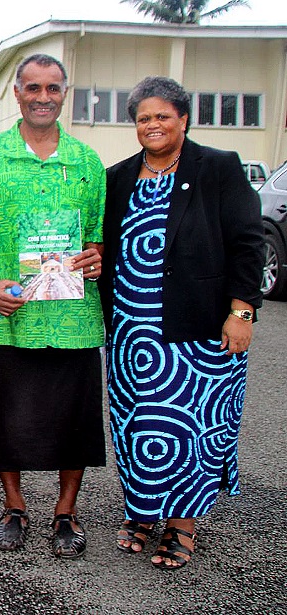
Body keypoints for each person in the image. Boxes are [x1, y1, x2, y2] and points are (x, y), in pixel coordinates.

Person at [99, 76, 263, 570]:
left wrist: (241, 311)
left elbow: (248, 242)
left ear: (183, 119)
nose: (152, 125)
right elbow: (104, 246)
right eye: (143, 118)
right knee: (139, 427)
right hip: (132, 331)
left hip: (197, 331)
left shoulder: (217, 167)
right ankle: (142, 511)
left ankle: (182, 525)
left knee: (190, 429)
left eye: (162, 116)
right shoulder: (117, 177)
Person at [0, 54, 106, 558]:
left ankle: (66, 511)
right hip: (6, 315)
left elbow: (97, 236)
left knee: (73, 419)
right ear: (17, 93)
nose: (43, 97)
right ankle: (14, 505)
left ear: (64, 93)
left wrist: (94, 256)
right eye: (33, 88)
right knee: (4, 416)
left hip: (72, 319)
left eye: (53, 88)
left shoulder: (87, 162)